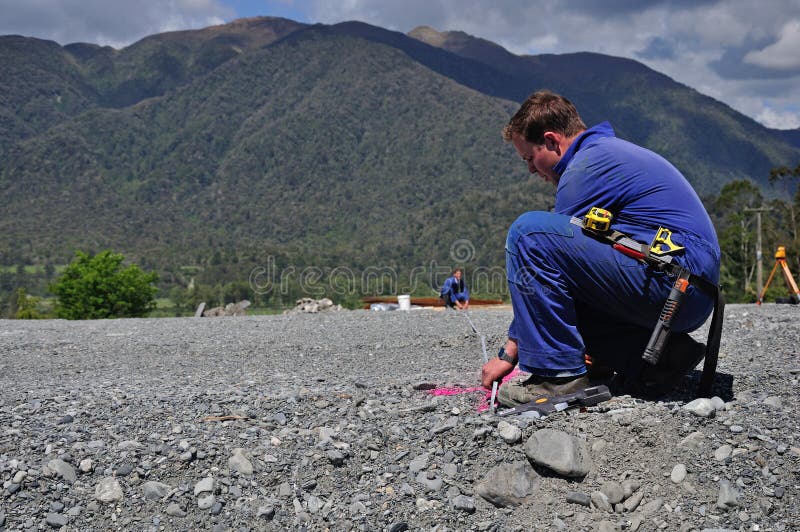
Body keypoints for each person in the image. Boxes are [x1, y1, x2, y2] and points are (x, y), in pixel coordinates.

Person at [481, 90, 720, 406]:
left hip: (678, 287)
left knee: (529, 235)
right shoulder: (604, 153)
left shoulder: (588, 166)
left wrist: (509, 352)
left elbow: (542, 260)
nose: (530, 170)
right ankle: (659, 360)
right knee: (559, 282)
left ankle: (558, 379)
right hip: (689, 290)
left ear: (552, 141)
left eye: (529, 158)